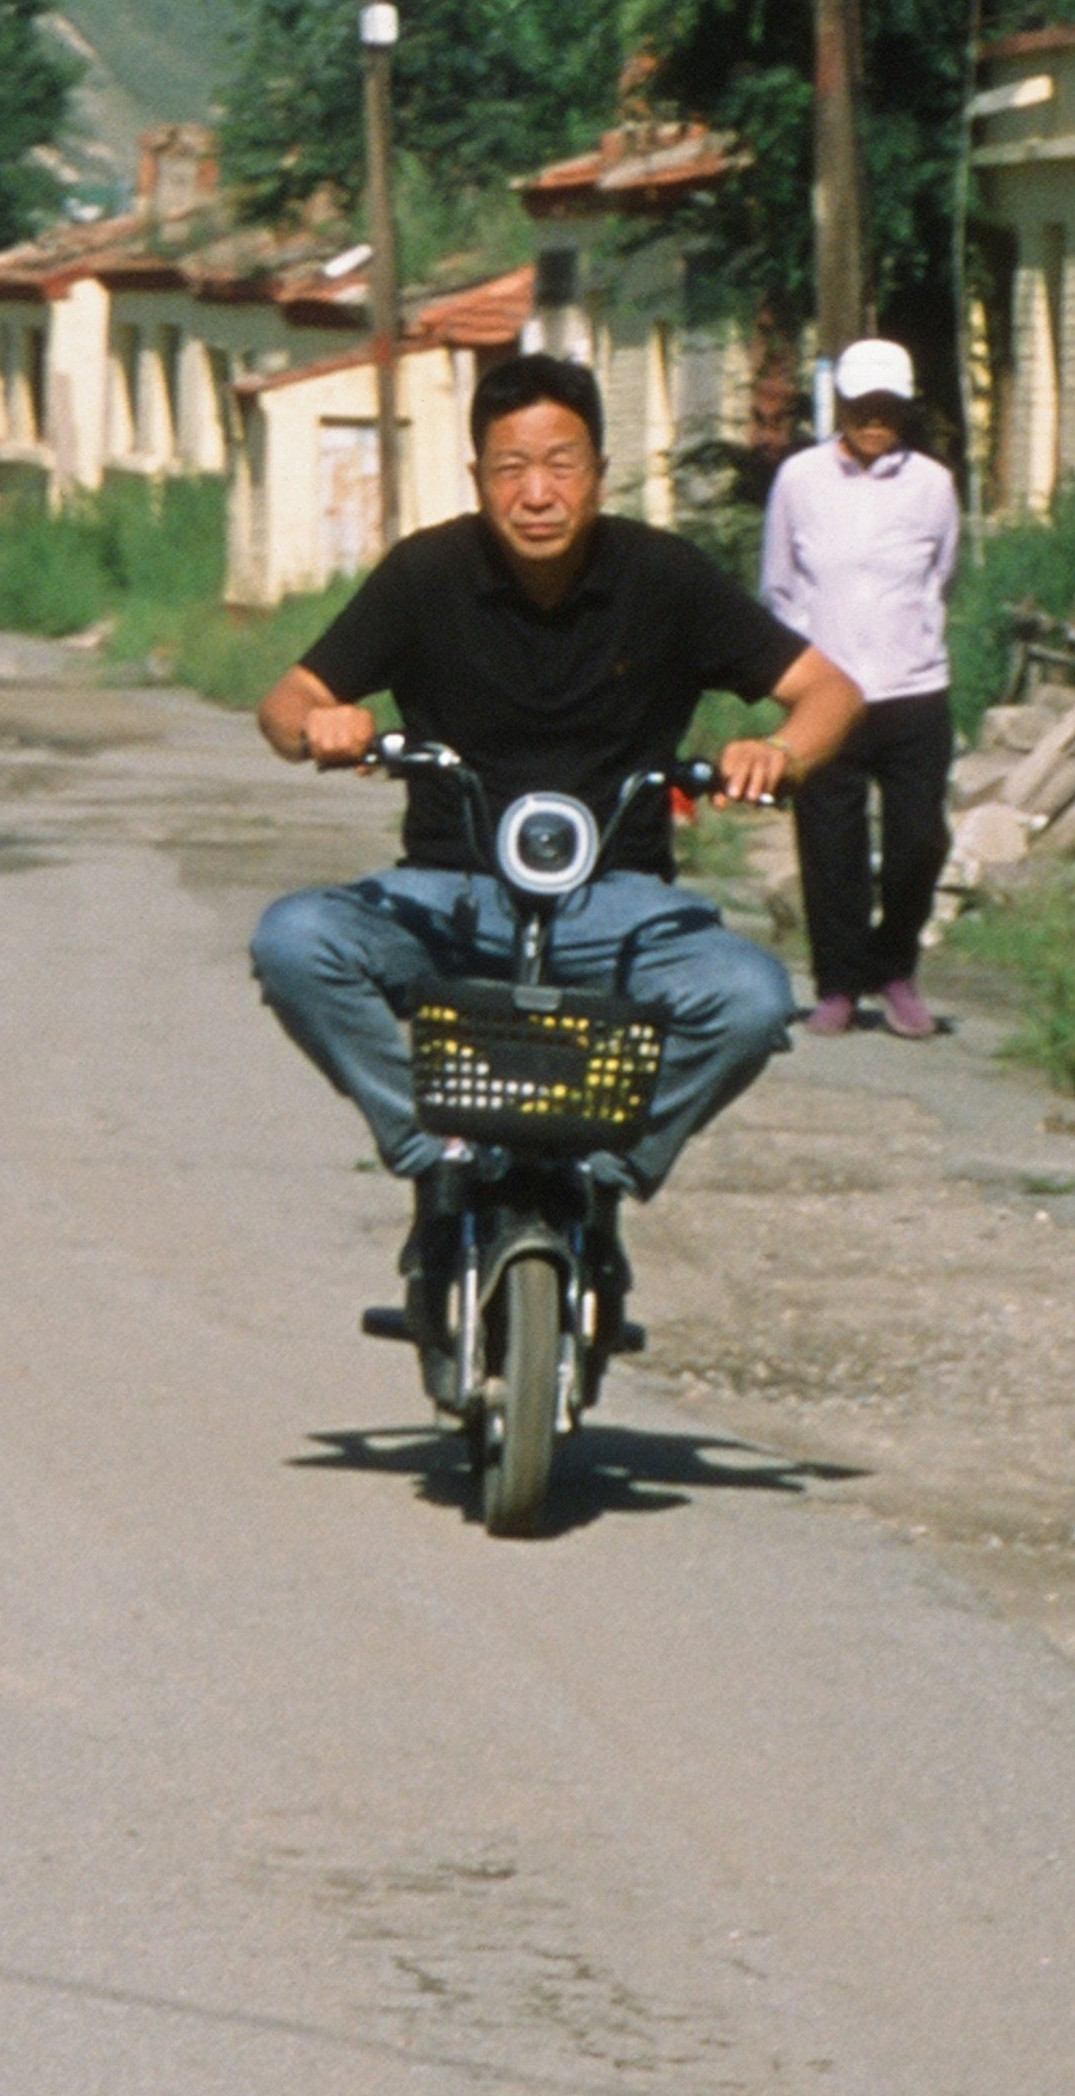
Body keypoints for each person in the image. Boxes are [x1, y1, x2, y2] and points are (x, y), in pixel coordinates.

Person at [247, 351, 848, 1354]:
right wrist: (325, 721)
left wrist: (777, 751)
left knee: (749, 996)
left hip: (617, 904)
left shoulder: (664, 577)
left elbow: (832, 691)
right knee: (295, 938)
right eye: (510, 466)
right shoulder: (427, 573)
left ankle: (604, 1170)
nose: (537, 491)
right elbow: (283, 699)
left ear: (600, 471)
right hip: (452, 898)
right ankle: (432, 1153)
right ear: (477, 476)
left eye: (561, 462)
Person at [757, 337, 967, 1039]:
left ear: (905, 409)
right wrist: (803, 676)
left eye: (887, 407)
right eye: (861, 405)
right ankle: (839, 983)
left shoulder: (933, 484)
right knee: (829, 840)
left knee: (918, 839)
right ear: (840, 404)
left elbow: (941, 573)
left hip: (913, 687)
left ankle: (896, 966)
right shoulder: (800, 479)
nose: (874, 419)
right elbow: (780, 584)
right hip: (828, 691)